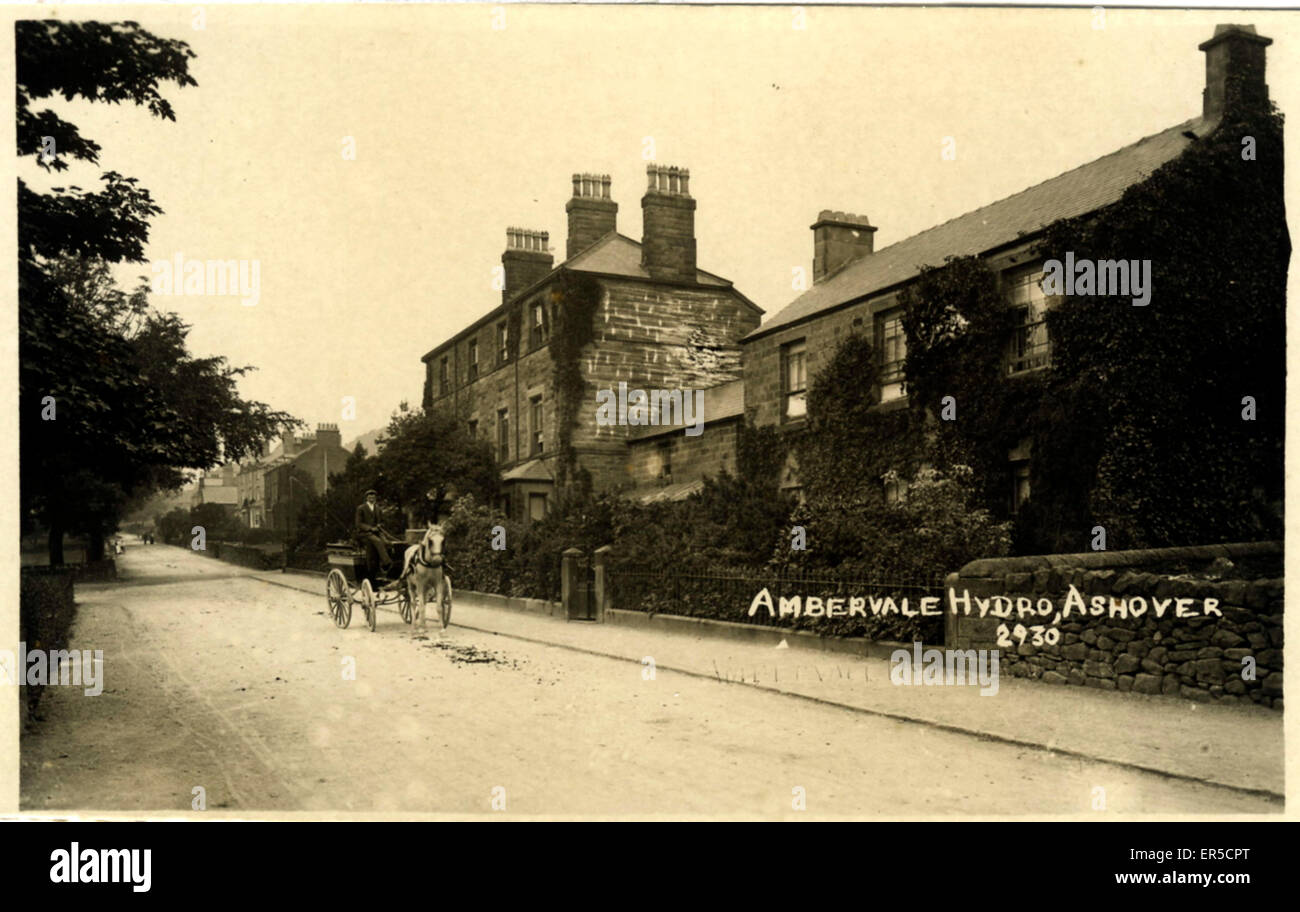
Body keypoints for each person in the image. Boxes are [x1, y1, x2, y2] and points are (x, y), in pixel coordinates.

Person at [355, 489, 392, 576]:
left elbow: (382, 521)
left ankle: (383, 566)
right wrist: (370, 528)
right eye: (370, 496)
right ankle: (387, 562)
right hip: (364, 533)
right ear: (366, 498)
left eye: (373, 496)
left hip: (376, 532)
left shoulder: (378, 509)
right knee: (377, 541)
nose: (372, 498)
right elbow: (359, 524)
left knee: (387, 542)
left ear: (375, 498)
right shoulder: (361, 508)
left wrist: (380, 525)